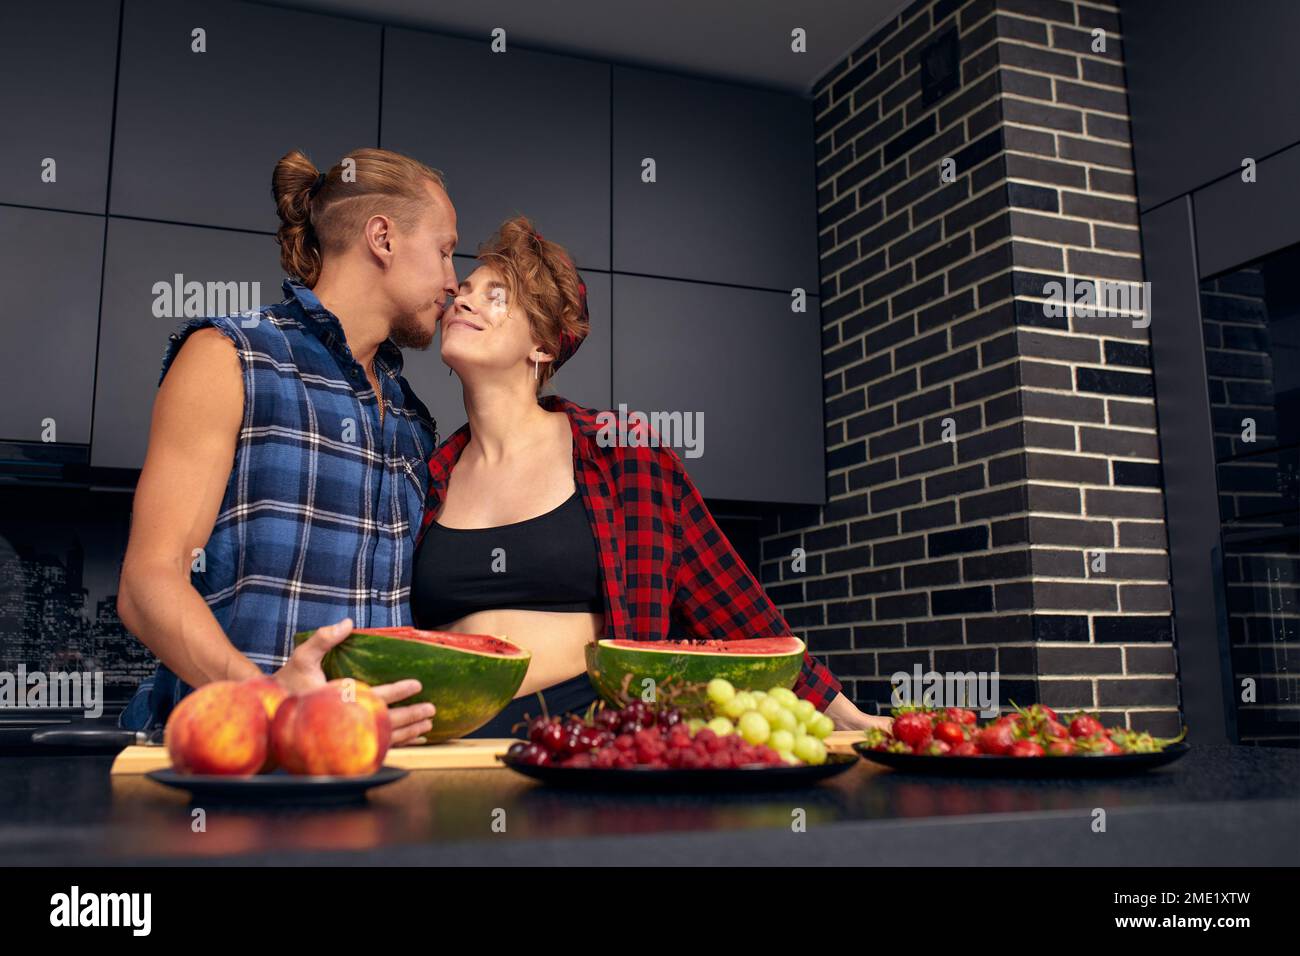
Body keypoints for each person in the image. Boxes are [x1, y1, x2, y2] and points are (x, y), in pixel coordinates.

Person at [412, 216, 892, 736]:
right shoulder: (426, 474)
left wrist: (849, 718)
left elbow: (729, 598)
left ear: (544, 346)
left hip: (588, 738)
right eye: (464, 289)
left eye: (496, 295)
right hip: (442, 740)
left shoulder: (622, 453)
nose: (462, 300)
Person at [116, 148, 457, 745]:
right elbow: (149, 583)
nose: (454, 283)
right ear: (383, 238)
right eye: (446, 251)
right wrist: (269, 704)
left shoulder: (410, 417)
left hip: (368, 761)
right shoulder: (233, 357)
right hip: (227, 762)